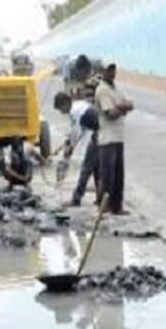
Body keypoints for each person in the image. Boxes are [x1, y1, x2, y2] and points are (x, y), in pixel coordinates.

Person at [94, 63, 134, 215]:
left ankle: (117, 207)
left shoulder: (115, 88)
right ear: (102, 72)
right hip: (107, 138)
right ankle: (103, 207)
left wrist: (122, 107)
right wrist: (123, 108)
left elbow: (129, 104)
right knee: (107, 176)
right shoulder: (102, 90)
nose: (112, 72)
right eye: (108, 70)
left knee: (118, 175)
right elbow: (110, 114)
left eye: (113, 69)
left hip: (118, 137)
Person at [54, 92, 100, 206]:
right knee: (96, 168)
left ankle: (76, 199)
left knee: (87, 167)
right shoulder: (79, 106)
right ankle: (100, 198)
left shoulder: (74, 112)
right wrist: (67, 142)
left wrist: (70, 148)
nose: (61, 112)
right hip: (100, 134)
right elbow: (79, 131)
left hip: (101, 135)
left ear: (65, 104)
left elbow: (77, 133)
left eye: (61, 109)